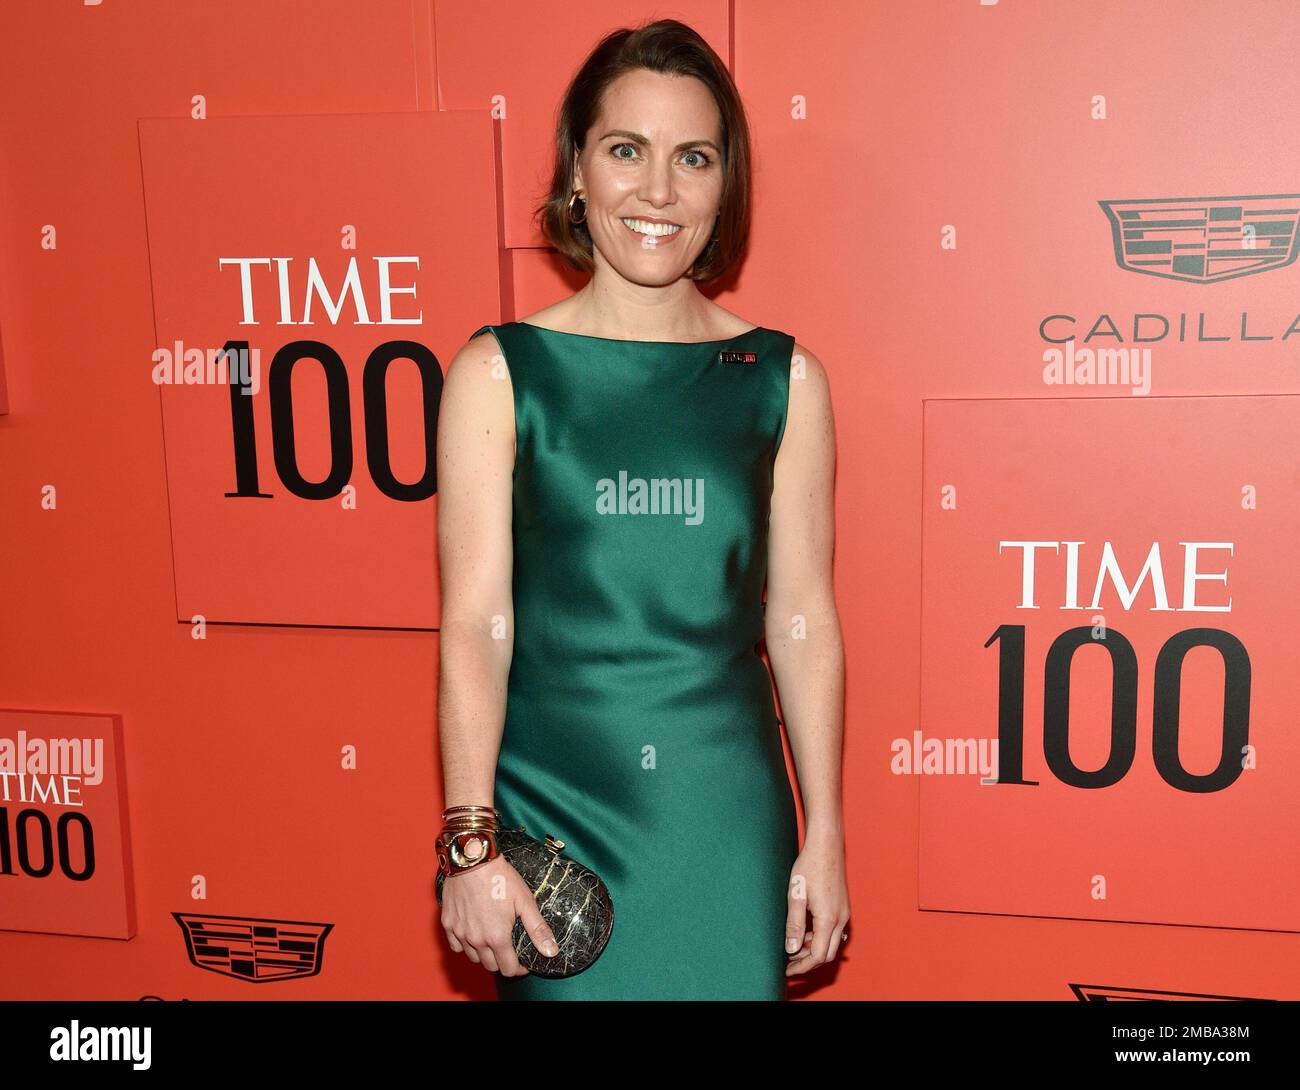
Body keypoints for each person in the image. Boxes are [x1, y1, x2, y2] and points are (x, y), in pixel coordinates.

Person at [434, 17, 846, 1000]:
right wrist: (468, 843)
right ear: (580, 166)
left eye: (692, 157)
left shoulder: (782, 379)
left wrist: (824, 831)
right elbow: (477, 622)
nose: (657, 191)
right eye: (627, 150)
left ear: (724, 183)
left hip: (724, 820)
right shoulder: (500, 373)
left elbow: (801, 619)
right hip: (554, 819)